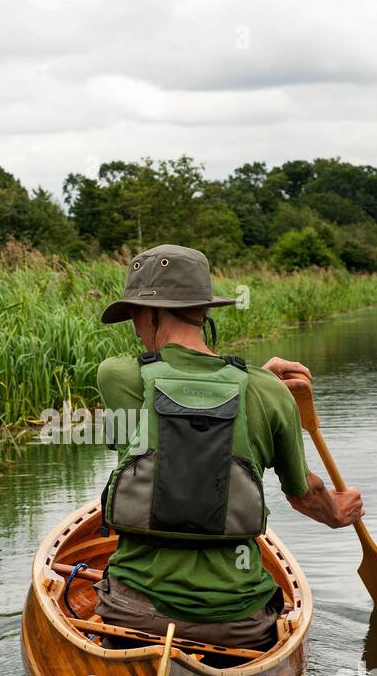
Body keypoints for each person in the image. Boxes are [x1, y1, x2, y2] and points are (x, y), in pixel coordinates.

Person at [95, 244, 363, 650]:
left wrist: (258, 377)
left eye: (133, 314)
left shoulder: (115, 377)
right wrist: (338, 514)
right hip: (241, 623)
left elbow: (181, 385)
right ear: (203, 311)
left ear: (149, 313)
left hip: (135, 613)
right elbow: (306, 496)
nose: (134, 328)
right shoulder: (269, 392)